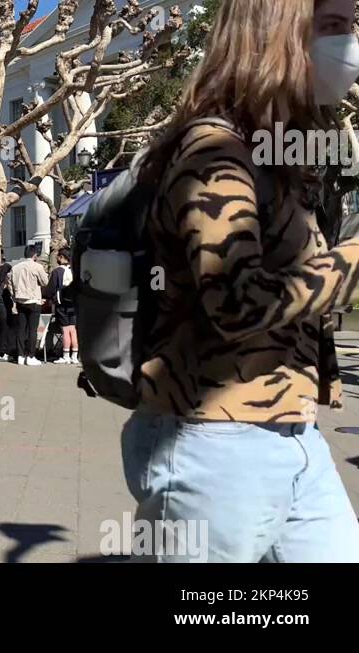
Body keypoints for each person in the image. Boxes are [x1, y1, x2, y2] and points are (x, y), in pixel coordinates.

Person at [119, 0, 359, 562]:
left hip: (295, 434)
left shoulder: (276, 159)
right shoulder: (213, 150)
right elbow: (237, 301)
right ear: (279, 33)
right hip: (214, 440)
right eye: (333, 27)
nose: (348, 45)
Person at [10, 245, 48, 367]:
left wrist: (14, 295)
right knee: (32, 330)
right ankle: (30, 356)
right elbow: (45, 282)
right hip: (34, 300)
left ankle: (20, 355)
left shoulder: (15, 268)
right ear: (34, 255)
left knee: (21, 329)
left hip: (20, 301)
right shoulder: (37, 267)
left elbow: (9, 282)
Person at [46, 248, 78, 365]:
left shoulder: (57, 272)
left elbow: (50, 290)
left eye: (58, 256)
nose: (57, 258)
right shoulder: (74, 270)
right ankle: (74, 356)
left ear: (62, 257)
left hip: (61, 305)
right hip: (74, 305)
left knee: (65, 331)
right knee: (73, 330)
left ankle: (65, 356)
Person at [0, 263, 17, 362]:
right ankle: (2, 353)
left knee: (2, 329)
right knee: (5, 330)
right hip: (4, 308)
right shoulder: (6, 282)